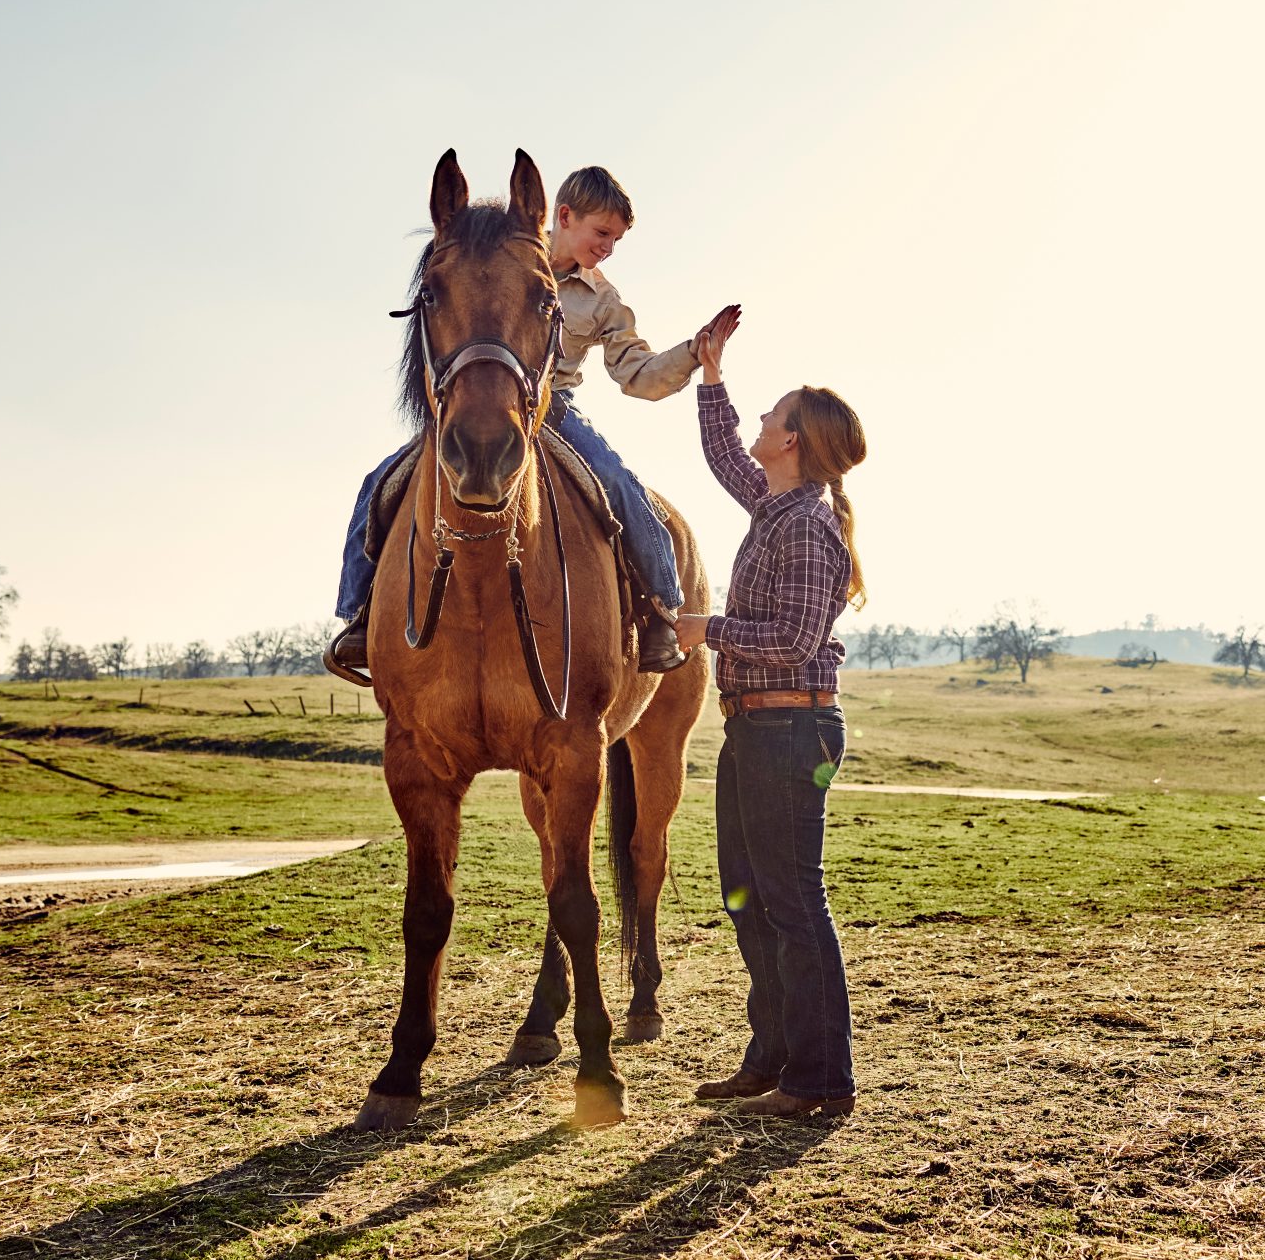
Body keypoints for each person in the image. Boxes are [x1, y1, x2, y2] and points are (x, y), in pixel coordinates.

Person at [329, 165, 740, 677]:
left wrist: (692, 353)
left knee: (618, 482)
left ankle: (661, 609)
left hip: (552, 407)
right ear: (564, 216)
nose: (609, 247)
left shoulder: (602, 299)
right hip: (481, 400)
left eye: (617, 239)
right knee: (381, 483)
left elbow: (639, 374)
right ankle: (360, 615)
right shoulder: (504, 251)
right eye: (603, 233)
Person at [678, 330, 868, 1120]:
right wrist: (710, 376)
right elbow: (726, 454)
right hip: (755, 730)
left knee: (793, 905)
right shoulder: (776, 503)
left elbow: (792, 642)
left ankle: (821, 1082)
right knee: (749, 900)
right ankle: (774, 1058)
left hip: (789, 733)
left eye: (770, 413)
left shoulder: (806, 527)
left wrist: (706, 630)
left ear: (791, 440)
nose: (757, 419)